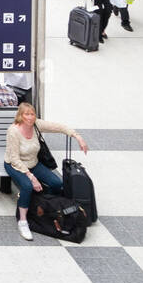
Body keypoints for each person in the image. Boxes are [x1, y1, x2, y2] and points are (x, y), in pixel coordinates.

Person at [5, 103, 88, 241]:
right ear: (20, 115)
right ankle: (23, 221)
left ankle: (44, 206)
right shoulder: (13, 131)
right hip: (15, 165)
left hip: (33, 163)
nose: (30, 117)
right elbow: (14, 159)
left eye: (32, 114)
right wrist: (31, 177)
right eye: (26, 114)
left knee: (56, 183)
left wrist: (78, 137)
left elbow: (59, 127)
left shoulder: (36, 124)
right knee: (27, 186)